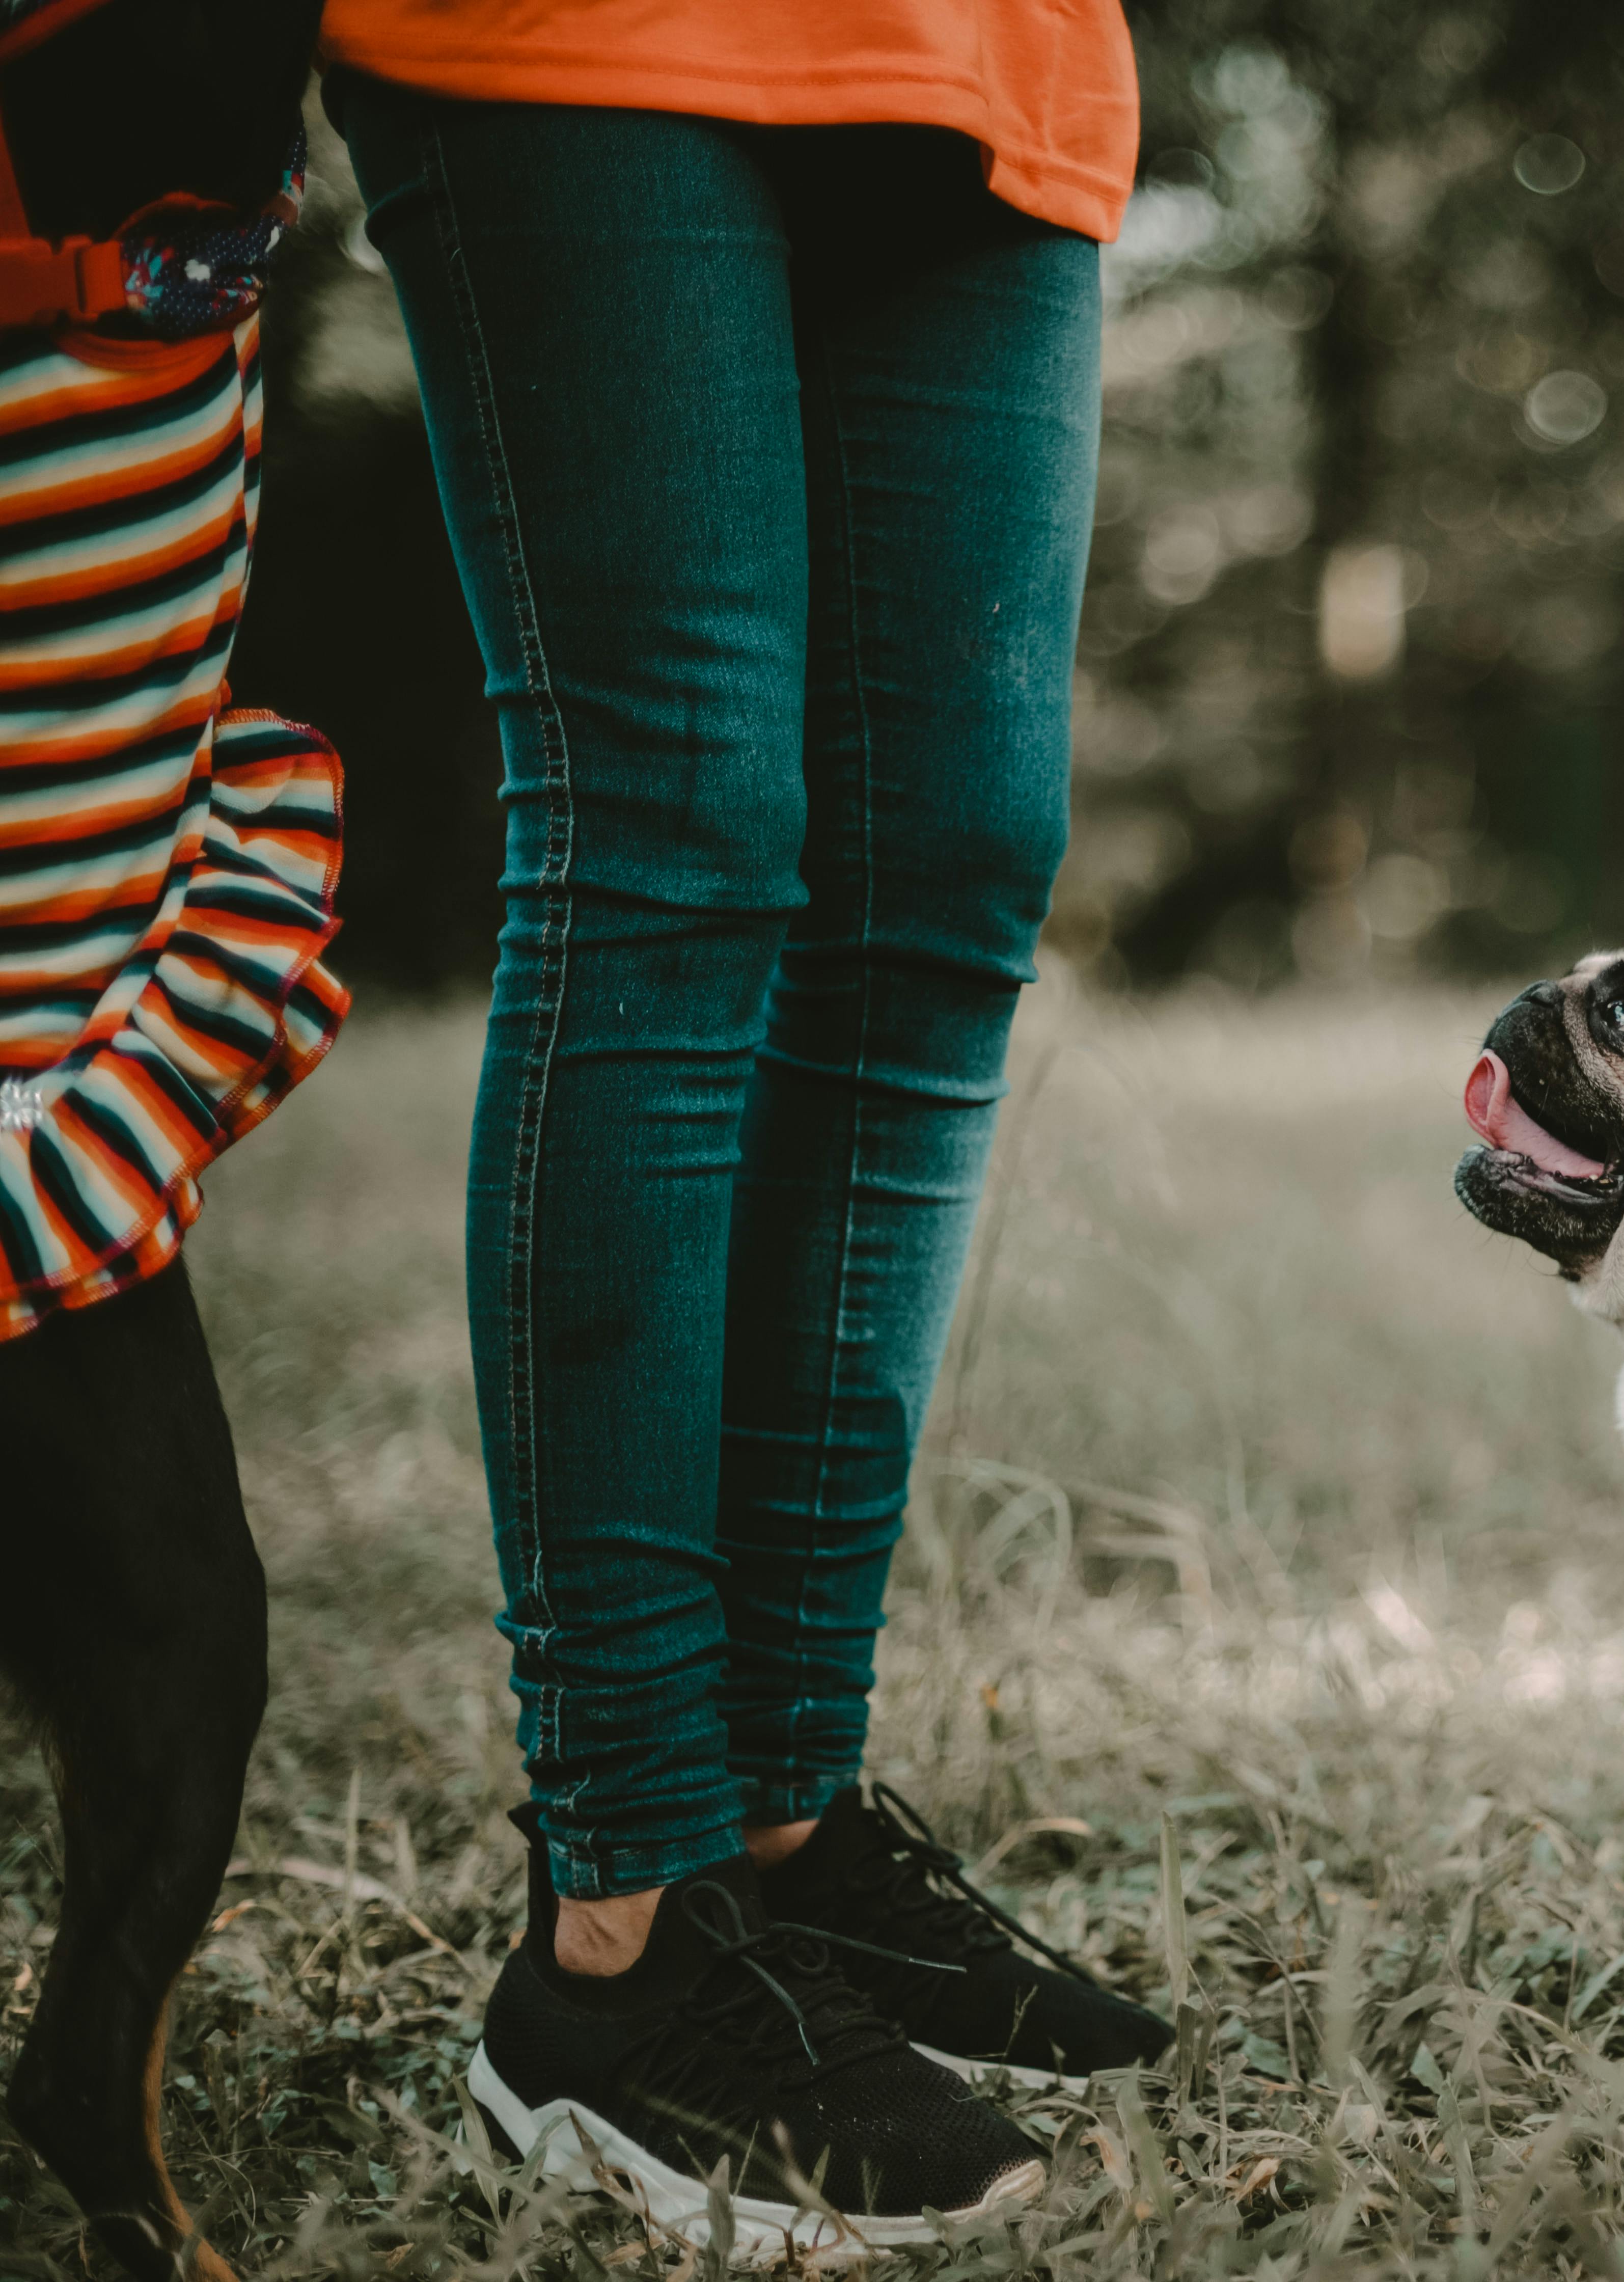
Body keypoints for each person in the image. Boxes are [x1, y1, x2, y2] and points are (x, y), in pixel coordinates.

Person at [318, 0, 1168, 2248]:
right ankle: (616, 1929)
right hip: (581, 36)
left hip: (990, 53)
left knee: (948, 874)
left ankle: (785, 1829)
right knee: (677, 833)